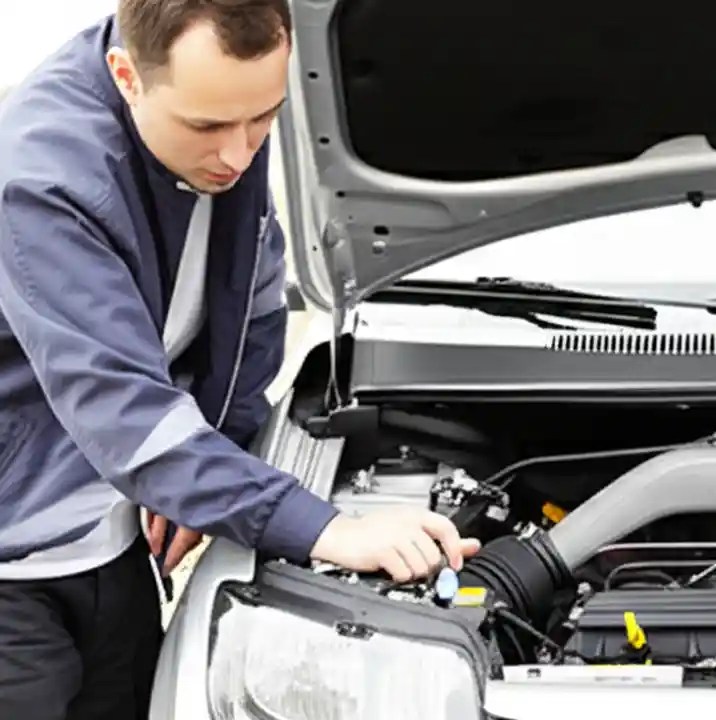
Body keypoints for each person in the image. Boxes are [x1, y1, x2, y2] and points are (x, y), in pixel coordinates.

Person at [0, 2, 480, 718]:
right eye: (208, 127)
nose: (239, 154)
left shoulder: (224, 116)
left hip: (113, 548)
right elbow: (124, 417)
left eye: (264, 118)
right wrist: (328, 529)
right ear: (125, 76)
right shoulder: (44, 185)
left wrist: (217, 464)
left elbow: (253, 310)